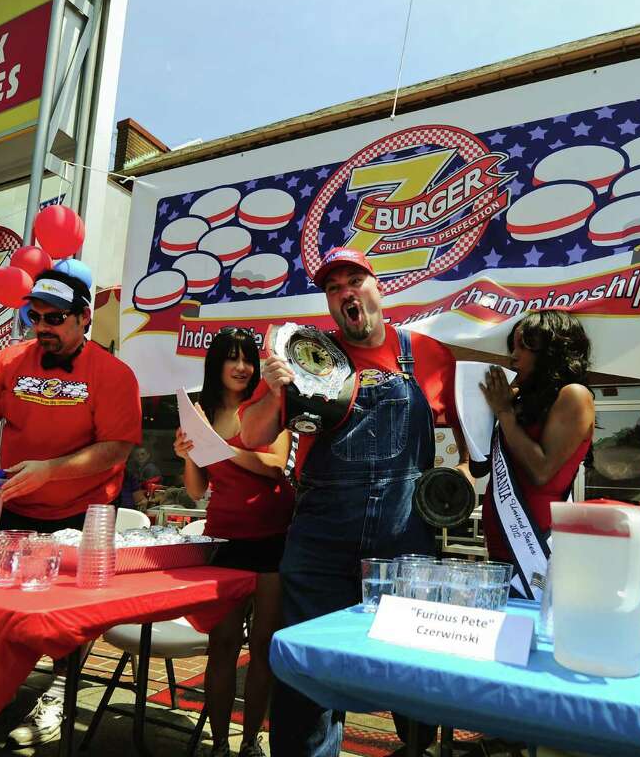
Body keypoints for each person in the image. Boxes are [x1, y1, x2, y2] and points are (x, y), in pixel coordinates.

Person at [240, 247, 470, 757]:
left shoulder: (431, 356)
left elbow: (467, 447)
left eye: (354, 280)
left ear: (377, 287)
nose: (346, 292)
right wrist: (270, 390)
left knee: (408, 671)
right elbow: (253, 434)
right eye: (333, 287)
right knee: (306, 674)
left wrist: (454, 479)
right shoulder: (305, 355)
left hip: (404, 540)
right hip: (321, 544)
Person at [0, 270, 142, 746]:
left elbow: (116, 449)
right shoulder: (7, 361)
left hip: (81, 513)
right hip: (15, 506)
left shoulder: (114, 373)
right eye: (34, 316)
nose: (43, 326)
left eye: (55, 317)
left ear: (84, 317)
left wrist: (51, 470)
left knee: (69, 619)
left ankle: (60, 693)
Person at [175, 327, 292, 757]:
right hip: (223, 539)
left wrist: (224, 450)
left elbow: (276, 466)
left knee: (263, 646)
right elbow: (193, 491)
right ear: (216, 364)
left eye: (248, 359)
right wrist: (190, 453)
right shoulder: (198, 410)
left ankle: (251, 741)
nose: (242, 367)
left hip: (272, 539)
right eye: (232, 358)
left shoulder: (266, 402)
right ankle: (219, 744)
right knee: (221, 644)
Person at [479, 310, 594, 593]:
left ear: (552, 350)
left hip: (536, 544)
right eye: (512, 347)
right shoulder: (519, 401)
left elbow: (542, 471)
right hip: (501, 545)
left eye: (523, 346)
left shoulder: (574, 395)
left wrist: (504, 413)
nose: (513, 357)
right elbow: (480, 466)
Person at [118, 445, 162, 510]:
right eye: (137, 455)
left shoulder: (150, 468)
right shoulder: (136, 469)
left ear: (148, 455)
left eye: (142, 454)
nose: (140, 457)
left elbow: (146, 488)